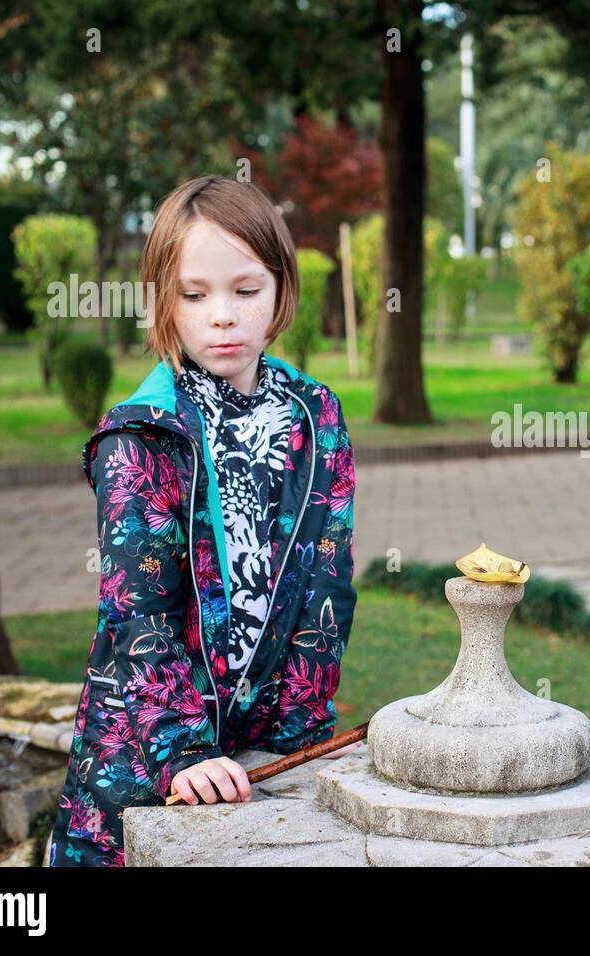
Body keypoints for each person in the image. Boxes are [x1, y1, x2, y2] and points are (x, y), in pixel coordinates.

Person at [49, 176, 358, 866]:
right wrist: (182, 749)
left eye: (246, 291)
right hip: (143, 759)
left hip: (265, 755)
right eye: (195, 294)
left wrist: (302, 729)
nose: (223, 315)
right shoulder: (141, 438)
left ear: (281, 290)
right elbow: (139, 612)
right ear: (164, 299)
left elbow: (326, 584)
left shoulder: (317, 416)